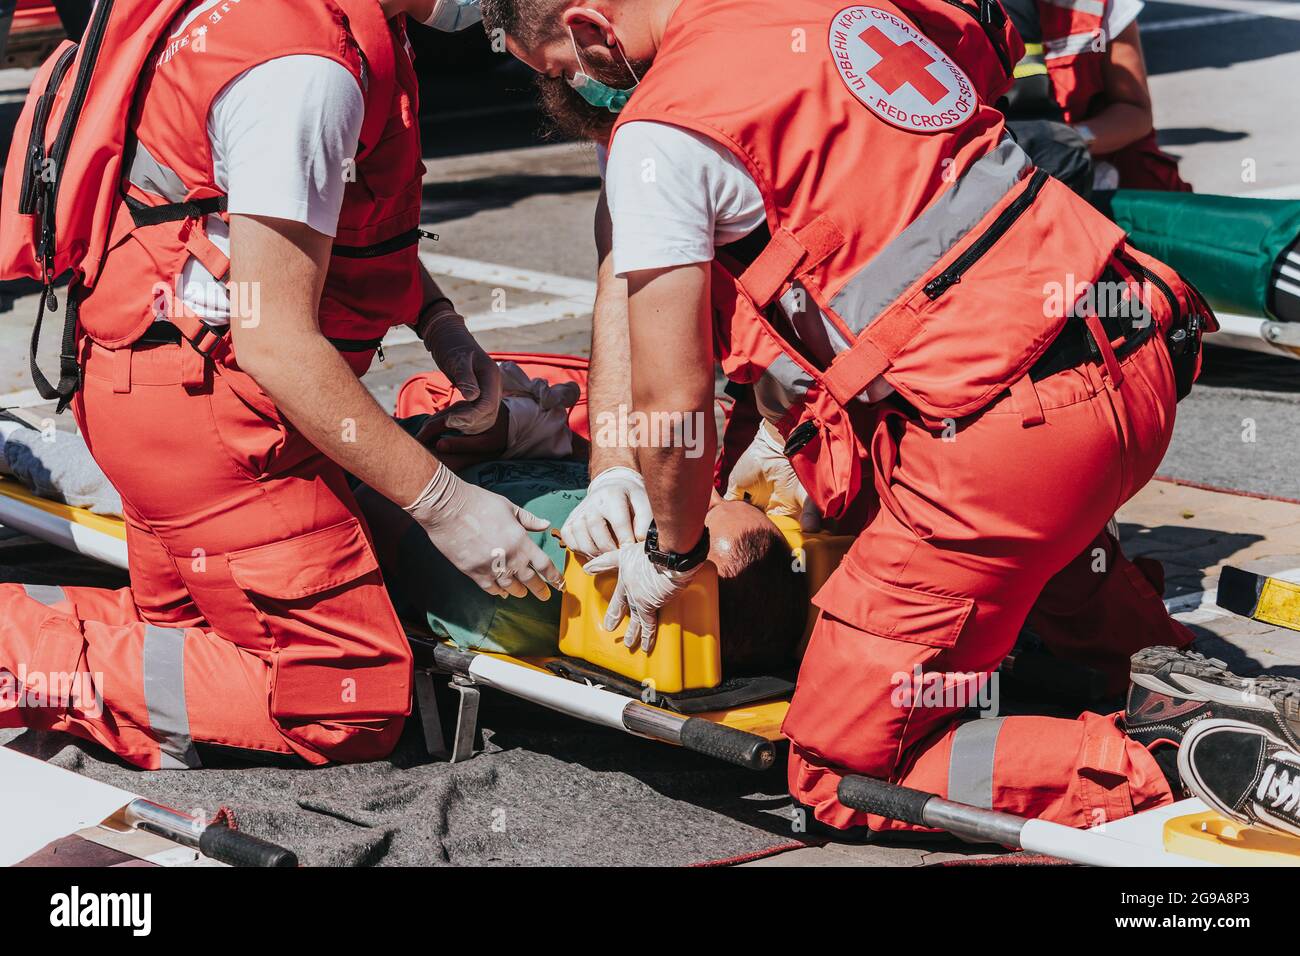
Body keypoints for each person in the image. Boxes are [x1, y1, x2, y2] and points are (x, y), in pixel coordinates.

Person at [486, 0, 1219, 833]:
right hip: (1133, 354)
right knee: (1043, 563)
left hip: (1010, 441)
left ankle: (1171, 765)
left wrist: (672, 545)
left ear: (588, 27)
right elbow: (882, 215)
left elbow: (673, 398)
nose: (572, 90)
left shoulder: (663, 132)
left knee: (844, 766)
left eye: (556, 69)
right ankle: (1170, 677)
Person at [0, 0, 563, 771]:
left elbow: (301, 225)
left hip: (153, 394)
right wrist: (446, 506)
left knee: (189, 652)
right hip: (212, 424)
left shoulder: (284, 25)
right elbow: (277, 341)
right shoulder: (304, 70)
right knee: (345, 701)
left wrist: (438, 322)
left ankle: (56, 663)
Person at [375, 357, 807, 672]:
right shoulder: (626, 527)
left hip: (385, 463)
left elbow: (370, 511)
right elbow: (596, 470)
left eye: (703, 518)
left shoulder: (520, 590)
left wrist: (440, 491)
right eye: (719, 500)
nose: (704, 496)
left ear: (664, 596)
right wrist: (541, 436)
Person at [999, 0, 1190, 191]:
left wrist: (1075, 139)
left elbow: (1135, 111)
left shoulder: (1104, 6)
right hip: (1003, 171)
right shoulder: (975, 13)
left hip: (1089, 162)